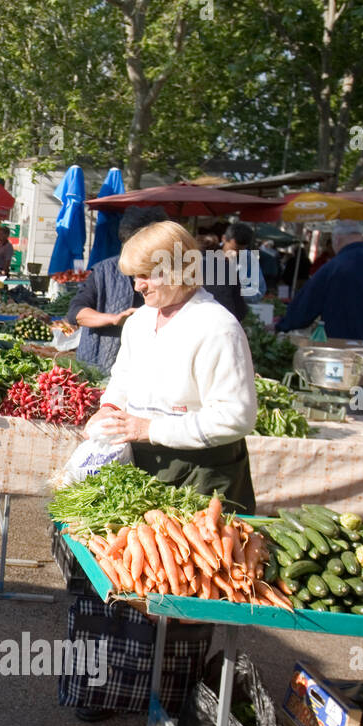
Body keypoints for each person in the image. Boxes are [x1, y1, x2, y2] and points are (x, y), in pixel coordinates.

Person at [91, 219, 258, 513]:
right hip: (145, 465)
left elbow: (236, 417)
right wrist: (110, 409)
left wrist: (151, 429)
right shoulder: (140, 320)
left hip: (205, 475)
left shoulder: (217, 327)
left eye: (146, 275)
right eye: (134, 276)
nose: (137, 285)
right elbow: (123, 378)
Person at [67, 206, 168, 374]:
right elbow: (75, 313)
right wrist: (114, 319)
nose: (139, 285)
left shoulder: (172, 276)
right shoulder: (103, 271)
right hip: (99, 366)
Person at [276, 219, 363, 342]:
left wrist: (282, 325)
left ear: (337, 239)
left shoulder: (332, 267)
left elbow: (306, 306)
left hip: (344, 345)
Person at [201, 221, 259, 321]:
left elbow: (258, 290)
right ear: (224, 239)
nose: (235, 253)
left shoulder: (249, 261)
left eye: (241, 250)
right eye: (233, 248)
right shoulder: (206, 258)